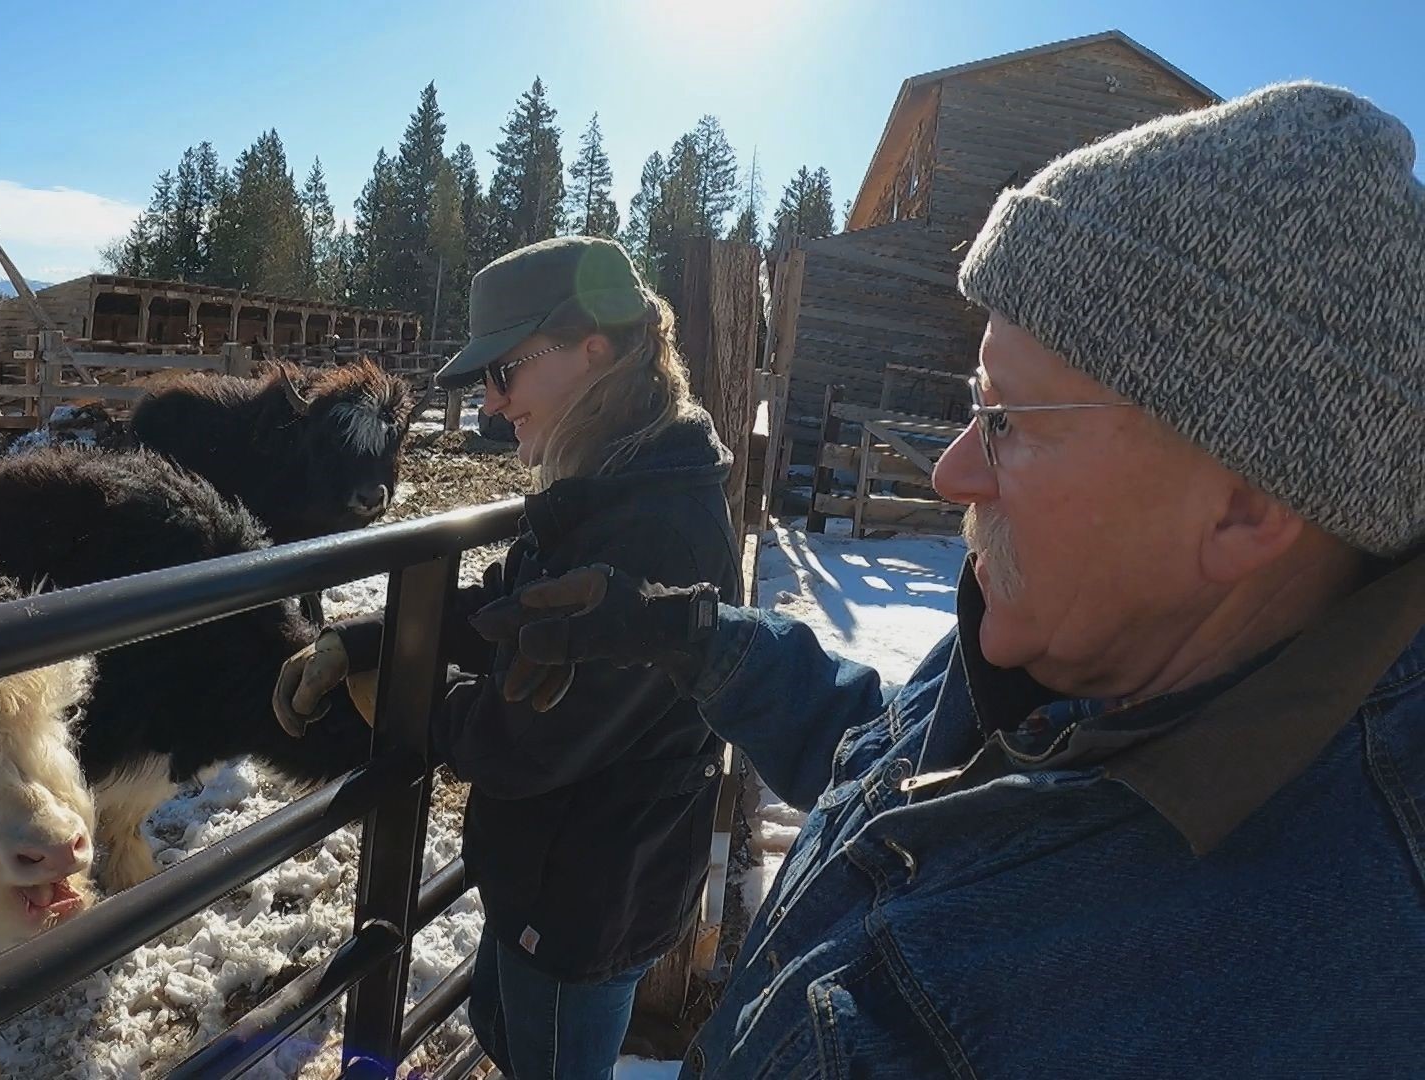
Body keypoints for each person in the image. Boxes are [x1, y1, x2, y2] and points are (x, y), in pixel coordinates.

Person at [471, 82, 1425, 1076]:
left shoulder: (1294, 1008)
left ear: (1246, 506)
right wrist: (697, 639)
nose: (952, 473)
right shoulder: (1067, 652)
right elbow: (892, 772)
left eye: (1007, 419)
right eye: (975, 402)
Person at [275, 235, 741, 1079]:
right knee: (505, 1029)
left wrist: (410, 699)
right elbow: (508, 609)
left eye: (504, 372)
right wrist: (368, 640)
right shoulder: (615, 479)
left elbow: (526, 739)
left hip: (587, 898)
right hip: (562, 874)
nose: (491, 404)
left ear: (590, 350)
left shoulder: (652, 530)